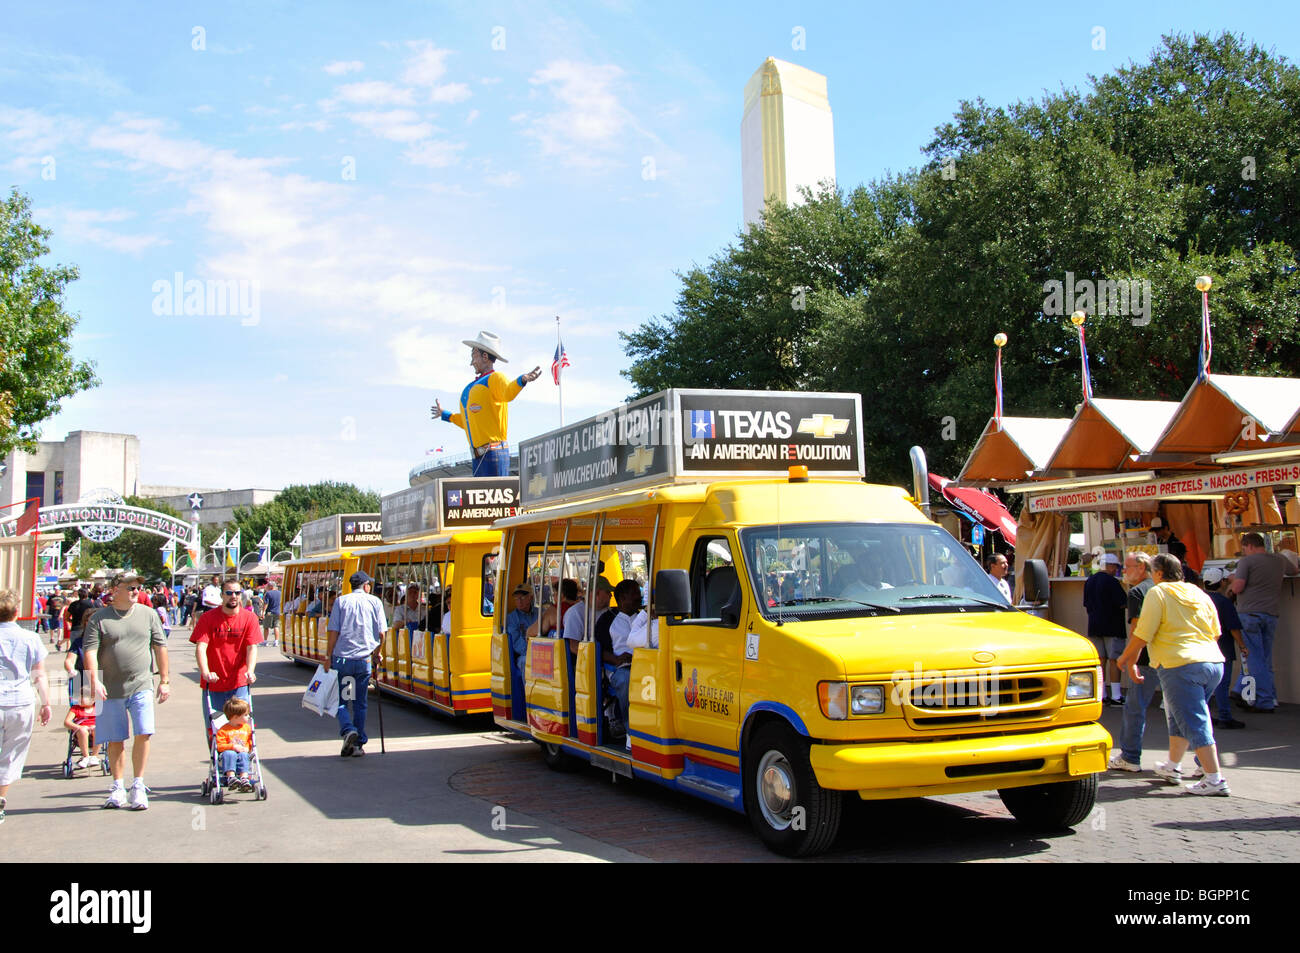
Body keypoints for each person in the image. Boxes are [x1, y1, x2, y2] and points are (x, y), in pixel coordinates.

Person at [1116, 554, 1228, 795]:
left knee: (1193, 719)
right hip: (1213, 662)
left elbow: (1143, 633)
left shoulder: (1158, 593)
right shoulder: (1199, 593)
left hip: (1179, 664)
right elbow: (1216, 632)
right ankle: (1173, 766)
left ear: (1156, 573)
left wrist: (1126, 659)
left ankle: (1214, 778)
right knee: (1181, 716)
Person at [81, 571, 170, 811]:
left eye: (137, 587)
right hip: (109, 689)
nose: (135, 591)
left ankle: (138, 784)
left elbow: (160, 647)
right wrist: (94, 679)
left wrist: (164, 679)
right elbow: (89, 651)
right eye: (129, 587)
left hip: (141, 685)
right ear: (114, 590)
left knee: (144, 732)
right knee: (115, 739)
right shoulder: (99, 618)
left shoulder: (148, 614)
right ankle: (118, 786)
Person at [430, 330, 543, 476]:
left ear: (484, 356)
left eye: (473, 356)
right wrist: (445, 415)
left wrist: (522, 380)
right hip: (478, 457)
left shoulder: (495, 378)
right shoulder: (471, 387)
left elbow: (508, 393)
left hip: (494, 454)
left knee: (496, 496)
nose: (471, 362)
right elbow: (469, 421)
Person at [0, 589, 53, 823]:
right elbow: (39, 674)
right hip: (19, 700)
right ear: (16, 612)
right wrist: (46, 703)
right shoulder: (30, 638)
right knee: (12, 751)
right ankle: (1, 796)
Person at [1229, 532, 1294, 713]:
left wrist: (1233, 579)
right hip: (1271, 614)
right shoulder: (1279, 559)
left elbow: (1238, 587)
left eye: (1244, 549)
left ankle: (1263, 699)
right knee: (1264, 658)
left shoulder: (1247, 562)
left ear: (1249, 545)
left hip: (1249, 614)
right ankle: (1266, 696)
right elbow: (1294, 570)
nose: (1244, 552)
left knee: (1253, 658)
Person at [324, 571, 387, 757]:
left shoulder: (341, 602)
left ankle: (348, 728)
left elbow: (333, 631)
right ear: (366, 585)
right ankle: (358, 743)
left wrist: (328, 656)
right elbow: (382, 633)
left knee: (343, 700)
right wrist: (378, 653)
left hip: (343, 661)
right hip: (363, 661)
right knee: (360, 703)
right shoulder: (375, 602)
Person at [190, 579, 262, 736]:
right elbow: (201, 647)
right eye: (229, 593)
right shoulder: (208, 618)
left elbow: (252, 647)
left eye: (237, 593)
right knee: (216, 730)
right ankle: (218, 760)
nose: (233, 596)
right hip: (214, 683)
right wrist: (205, 671)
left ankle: (243, 758)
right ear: (222, 595)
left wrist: (250, 671)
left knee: (242, 728)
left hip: (239, 683)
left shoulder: (249, 618)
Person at [1110, 551, 1157, 772]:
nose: (1123, 571)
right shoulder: (1160, 588)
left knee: (1134, 708)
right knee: (1180, 712)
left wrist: (1129, 660)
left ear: (1141, 568)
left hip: (1146, 657)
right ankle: (1192, 763)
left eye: (1127, 567)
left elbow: (1136, 630)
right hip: (1167, 655)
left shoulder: (1138, 592)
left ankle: (1130, 756)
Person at [1201, 568, 1246, 730]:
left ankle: (1202, 715)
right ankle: (1225, 717)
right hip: (1222, 648)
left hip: (1200, 647)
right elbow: (1233, 627)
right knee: (1221, 683)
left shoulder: (1198, 599)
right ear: (1221, 582)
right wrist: (1242, 645)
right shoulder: (1224, 602)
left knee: (1203, 685)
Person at [1083, 553, 1127, 706]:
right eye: (1115, 566)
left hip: (1094, 625)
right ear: (1109, 566)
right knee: (1114, 660)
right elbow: (1123, 602)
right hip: (1113, 626)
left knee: (1100, 660)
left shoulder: (1089, 581)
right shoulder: (1112, 582)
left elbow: (1086, 604)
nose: (1116, 570)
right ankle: (1116, 695)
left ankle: (1101, 694)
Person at [561, 577, 612, 655]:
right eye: (608, 592)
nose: (611, 595)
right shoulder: (576, 612)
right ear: (597, 593)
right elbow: (574, 647)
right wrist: (601, 657)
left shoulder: (609, 611)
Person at [214, 696, 255, 792]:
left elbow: (250, 741)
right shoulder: (223, 730)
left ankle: (244, 778)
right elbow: (220, 746)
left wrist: (247, 748)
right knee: (230, 753)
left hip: (242, 753)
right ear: (235, 717)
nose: (248, 717)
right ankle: (231, 777)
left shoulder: (247, 728)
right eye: (245, 715)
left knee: (244, 754)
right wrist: (233, 747)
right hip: (227, 755)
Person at [504, 584, 536, 694]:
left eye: (522, 597)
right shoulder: (511, 618)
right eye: (516, 598)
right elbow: (517, 641)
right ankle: (528, 696)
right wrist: (532, 653)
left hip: (542, 651)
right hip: (524, 654)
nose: (519, 601)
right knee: (525, 661)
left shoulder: (540, 613)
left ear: (530, 597)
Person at [63, 682, 98, 769]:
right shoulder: (75, 709)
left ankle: (94, 756)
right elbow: (67, 722)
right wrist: (79, 727)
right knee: (83, 730)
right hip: (80, 734)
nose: (80, 699)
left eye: (83, 697)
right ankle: (86, 757)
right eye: (79, 697)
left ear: (92, 699)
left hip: (94, 732)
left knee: (98, 729)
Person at [261, 580, 281, 647]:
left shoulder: (268, 593)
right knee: (276, 626)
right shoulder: (280, 593)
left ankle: (265, 641)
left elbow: (266, 603)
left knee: (266, 627)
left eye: (268, 586)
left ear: (271, 586)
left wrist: (263, 612)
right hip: (278, 612)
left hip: (269, 612)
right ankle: (276, 641)